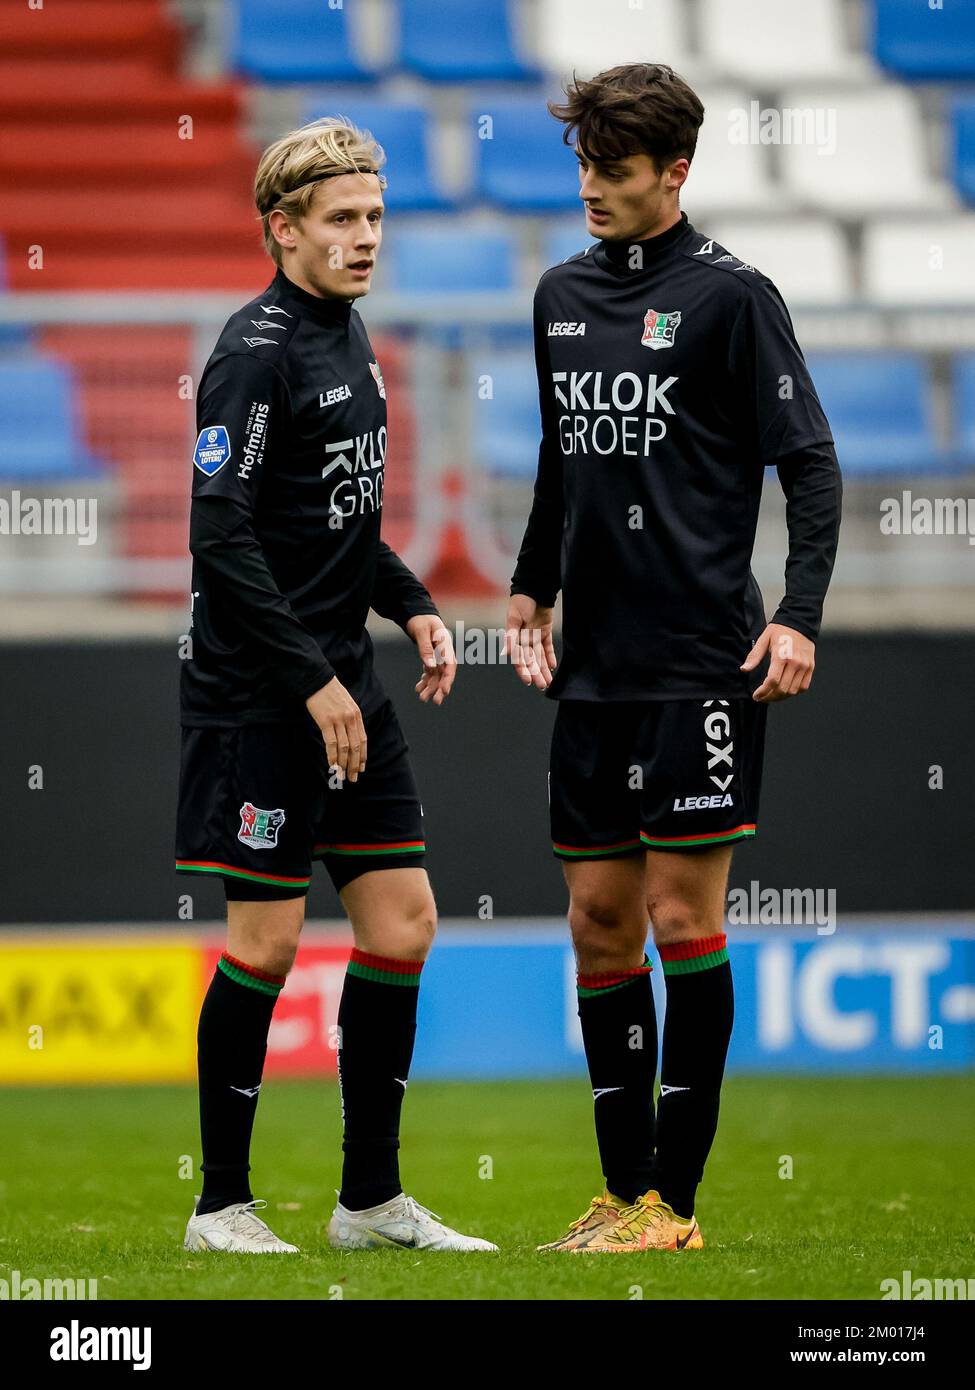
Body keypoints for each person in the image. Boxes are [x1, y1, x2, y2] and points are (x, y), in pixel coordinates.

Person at [506, 64, 841, 1252]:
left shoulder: (734, 299)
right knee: (600, 917)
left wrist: (797, 612)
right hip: (590, 665)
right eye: (583, 163)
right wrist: (530, 587)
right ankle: (621, 1191)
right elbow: (564, 463)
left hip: (701, 661)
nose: (591, 185)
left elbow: (809, 460)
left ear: (676, 173)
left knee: (679, 914)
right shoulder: (556, 295)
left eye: (615, 167)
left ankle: (676, 1205)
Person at [176, 117, 495, 1254]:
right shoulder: (253, 350)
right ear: (284, 229)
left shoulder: (350, 333)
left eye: (375, 218)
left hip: (345, 684)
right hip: (267, 694)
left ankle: (369, 1201)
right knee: (264, 946)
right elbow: (222, 531)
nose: (367, 239)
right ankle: (220, 1205)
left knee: (403, 924)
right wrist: (313, 678)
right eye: (344, 221)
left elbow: (342, 520)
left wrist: (409, 601)